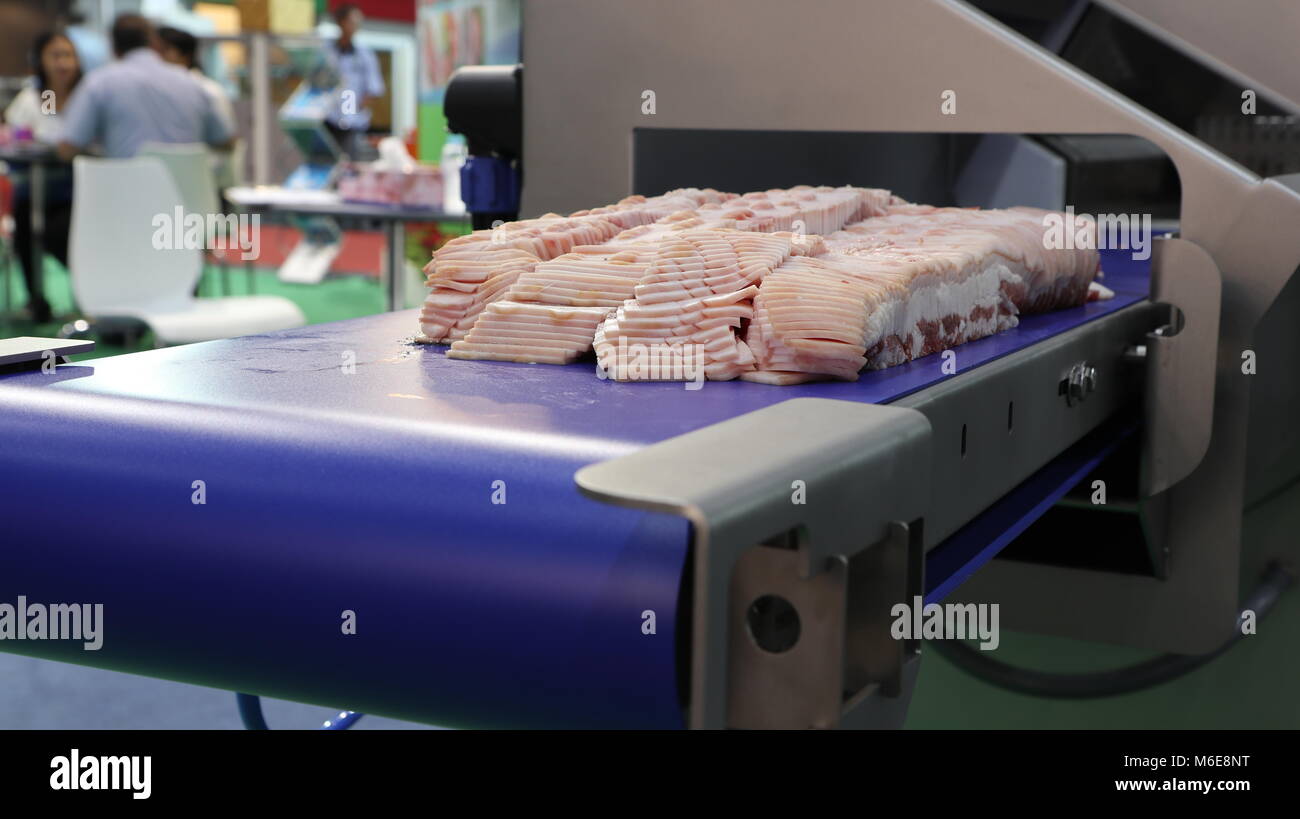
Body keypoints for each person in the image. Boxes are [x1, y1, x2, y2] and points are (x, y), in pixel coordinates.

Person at [56, 14, 233, 162]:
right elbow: (227, 142)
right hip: (188, 200)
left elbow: (67, 148)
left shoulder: (98, 83)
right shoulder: (196, 84)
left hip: (125, 199)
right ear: (154, 43)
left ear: (113, 48)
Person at [4, 31, 82, 323]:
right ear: (41, 60)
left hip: (80, 191)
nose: (63, 63)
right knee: (25, 222)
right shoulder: (31, 98)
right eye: (56, 55)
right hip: (36, 189)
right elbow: (17, 136)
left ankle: (95, 295)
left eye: (68, 55)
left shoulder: (87, 95)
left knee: (61, 232)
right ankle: (37, 302)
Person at [157, 25, 241, 189]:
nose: (156, 58)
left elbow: (227, 141)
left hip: (202, 182)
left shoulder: (207, 90)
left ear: (184, 55)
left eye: (163, 50)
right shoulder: (156, 90)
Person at [323, 3, 385, 160]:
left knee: (348, 165)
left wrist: (352, 108)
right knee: (325, 161)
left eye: (358, 22)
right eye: (352, 21)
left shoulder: (364, 54)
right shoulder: (327, 50)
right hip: (327, 117)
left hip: (351, 121)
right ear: (341, 22)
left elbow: (374, 88)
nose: (355, 26)